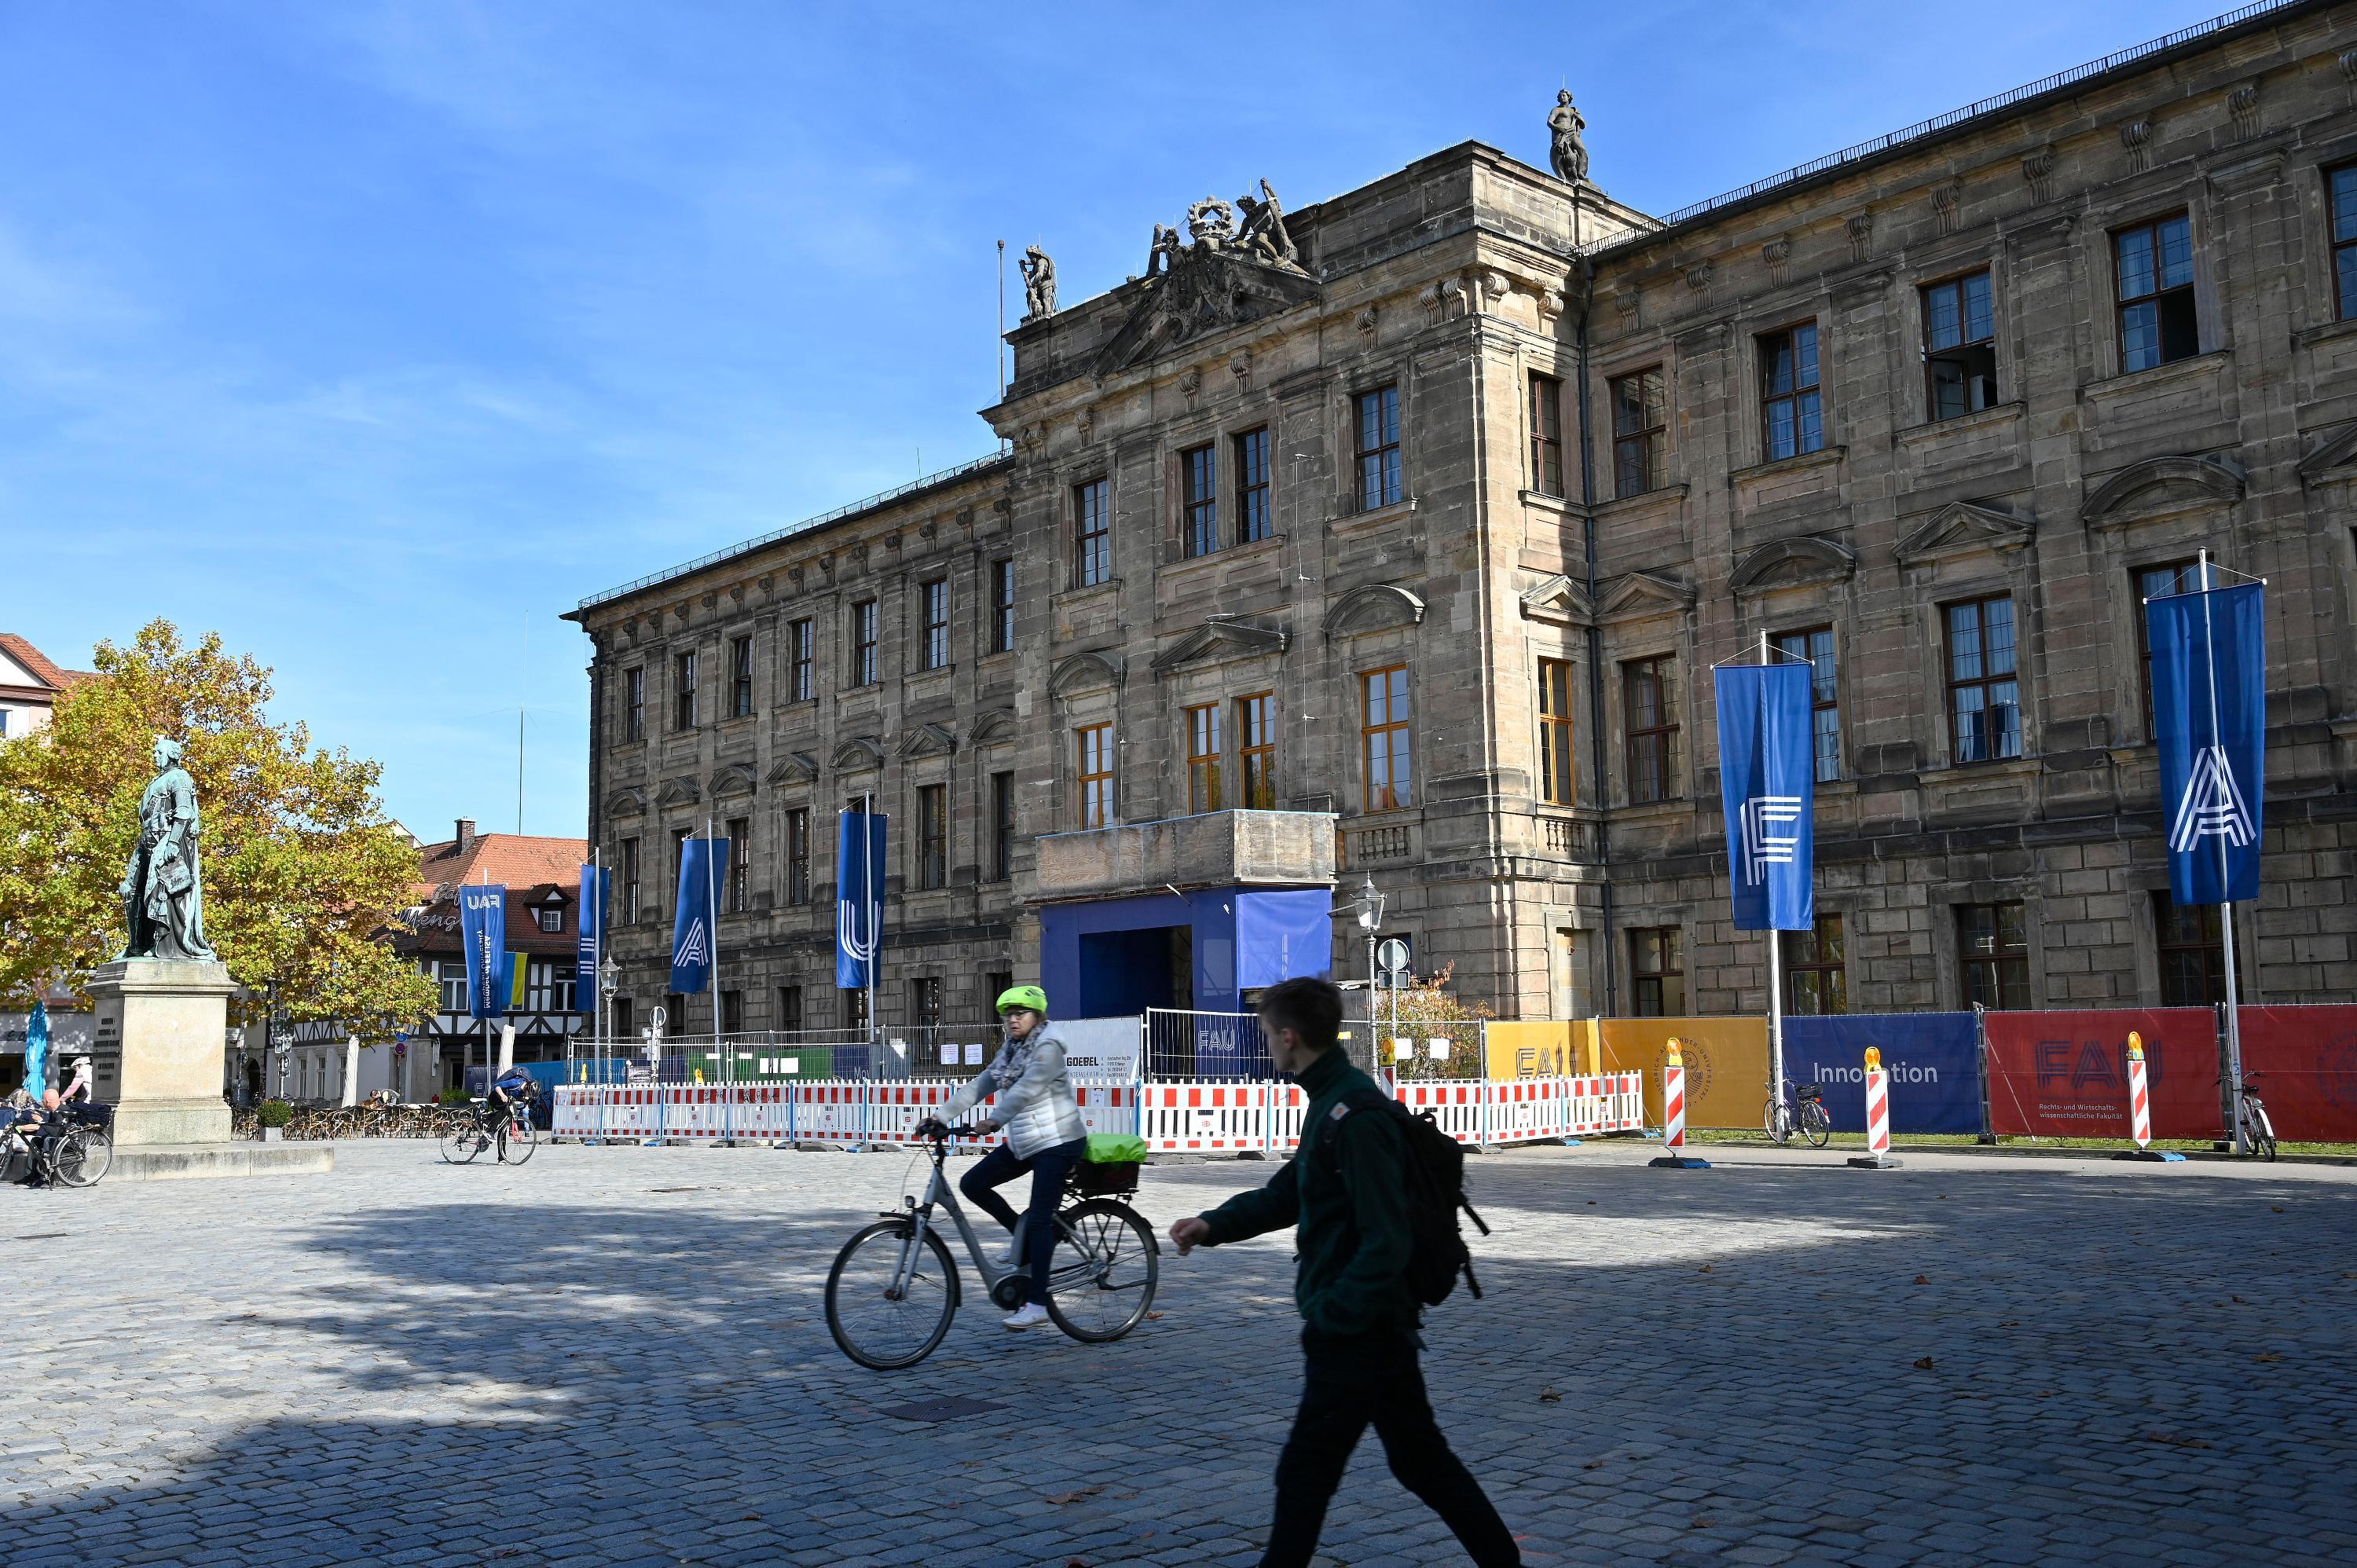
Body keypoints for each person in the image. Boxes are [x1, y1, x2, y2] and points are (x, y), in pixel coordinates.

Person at [1168, 976, 1519, 1568]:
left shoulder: (1353, 1114)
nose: (1266, 1046)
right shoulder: (1331, 1101)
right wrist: (1212, 1224)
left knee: (1307, 1469)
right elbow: (1291, 1192)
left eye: (1267, 1035)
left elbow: (1387, 1238)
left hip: (1361, 1328)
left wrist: (1335, 1313)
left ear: (1289, 1036)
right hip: (1371, 1324)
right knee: (1419, 1461)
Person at [918, 984, 1086, 1332]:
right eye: (1008, 1015)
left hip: (1058, 1142)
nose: (1012, 1020)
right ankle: (1020, 1239)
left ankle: (1037, 1304)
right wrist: (940, 1117)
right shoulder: (1012, 1050)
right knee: (973, 1183)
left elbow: (1027, 1089)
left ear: (1037, 1016)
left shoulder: (1048, 1047)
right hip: (1027, 1141)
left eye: (1020, 1013)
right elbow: (981, 1084)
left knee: (1039, 1220)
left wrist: (995, 1120)